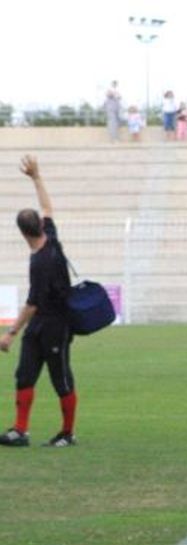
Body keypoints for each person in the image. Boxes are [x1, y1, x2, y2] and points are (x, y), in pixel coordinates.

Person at [0, 156, 79, 448]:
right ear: (40, 227)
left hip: (56, 324)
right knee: (25, 373)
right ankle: (20, 430)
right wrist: (36, 177)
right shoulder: (52, 237)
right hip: (39, 325)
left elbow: (32, 303)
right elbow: (48, 207)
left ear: (22, 232)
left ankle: (68, 433)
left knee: (61, 378)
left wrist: (10, 333)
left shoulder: (41, 262)